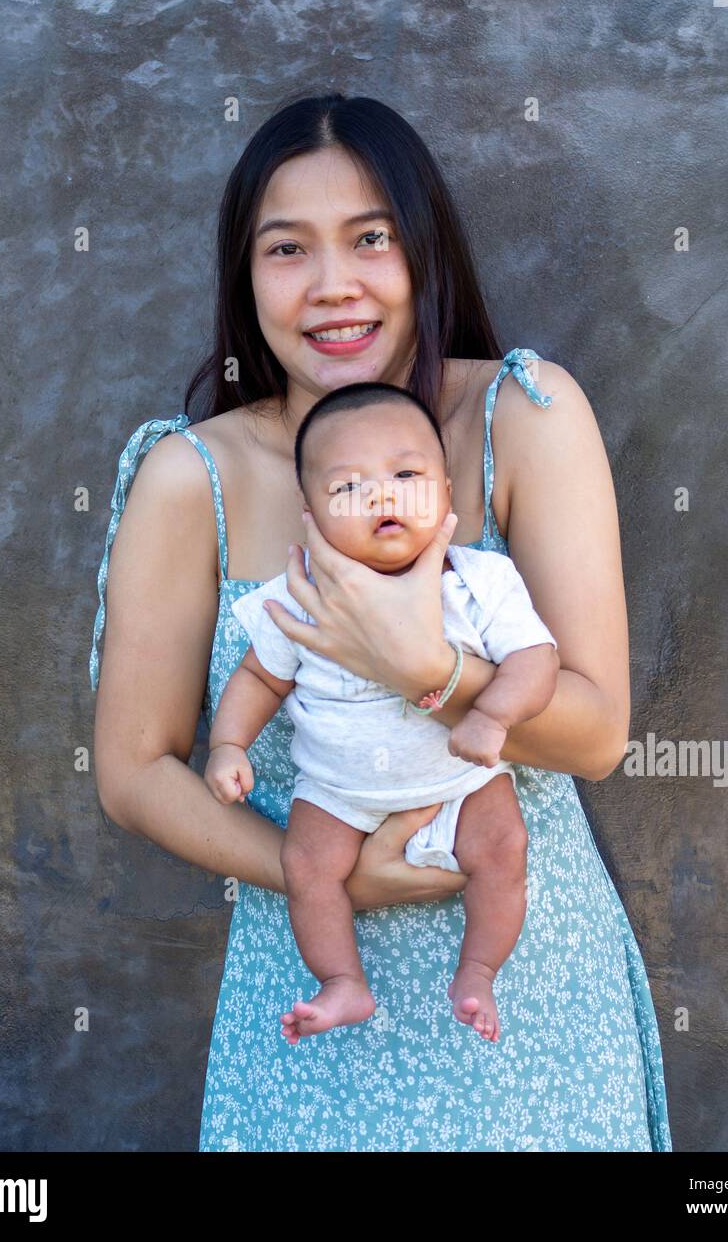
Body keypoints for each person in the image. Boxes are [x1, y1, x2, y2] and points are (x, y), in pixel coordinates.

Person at [89, 91, 673, 1151]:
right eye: (286, 249)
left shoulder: (523, 419)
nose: (332, 286)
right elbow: (133, 768)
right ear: (244, 273)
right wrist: (321, 874)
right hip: (311, 1001)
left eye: (372, 238)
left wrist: (424, 666)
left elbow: (595, 731)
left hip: (531, 1022)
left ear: (425, 249)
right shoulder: (193, 479)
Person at [204, 380, 560, 1045]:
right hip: (338, 792)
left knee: (505, 847)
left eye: (406, 475)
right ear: (308, 512)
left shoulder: (478, 581)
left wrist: (490, 716)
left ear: (449, 492)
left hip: (461, 781)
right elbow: (259, 676)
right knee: (306, 867)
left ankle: (478, 970)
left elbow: (536, 661)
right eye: (346, 488)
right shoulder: (301, 594)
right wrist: (228, 745)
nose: (381, 495)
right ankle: (342, 982)